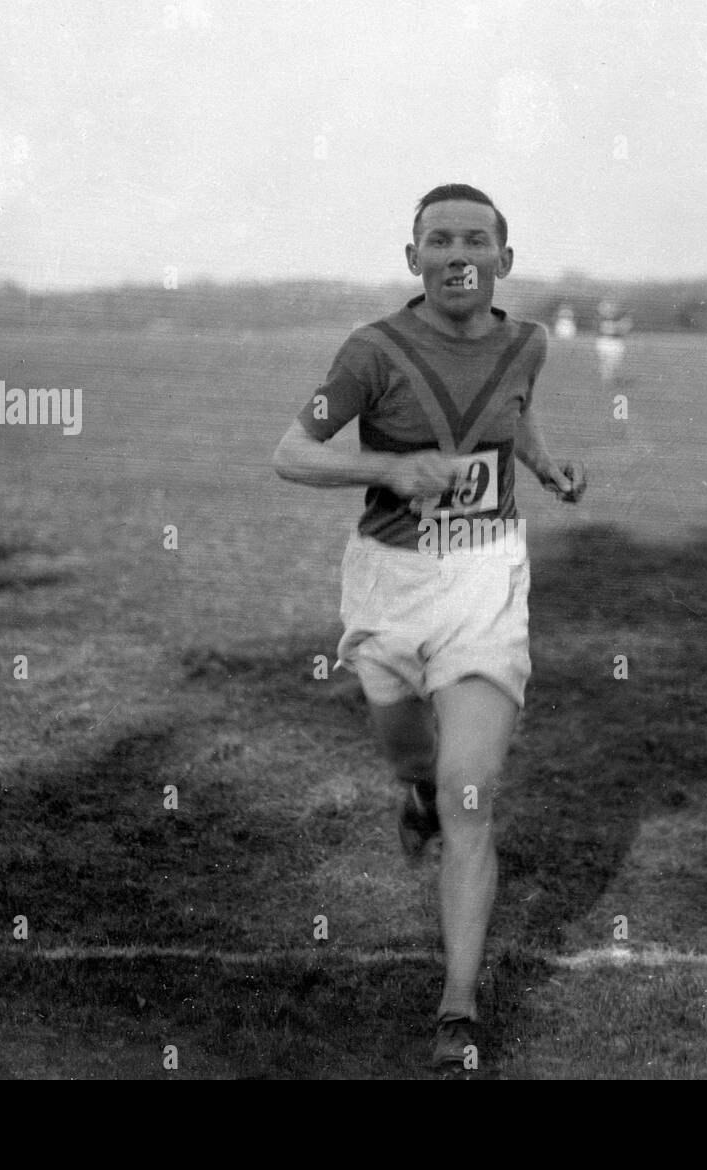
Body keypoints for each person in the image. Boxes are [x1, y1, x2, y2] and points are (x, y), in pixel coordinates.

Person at [272, 183, 586, 1071]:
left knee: (471, 791)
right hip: (390, 585)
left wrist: (550, 469)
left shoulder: (527, 343)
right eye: (439, 239)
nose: (459, 252)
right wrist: (391, 468)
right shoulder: (371, 352)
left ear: (504, 260)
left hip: (488, 578)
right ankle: (413, 787)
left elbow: (512, 420)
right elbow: (290, 454)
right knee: (415, 758)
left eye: (476, 240)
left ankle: (458, 1011)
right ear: (413, 260)